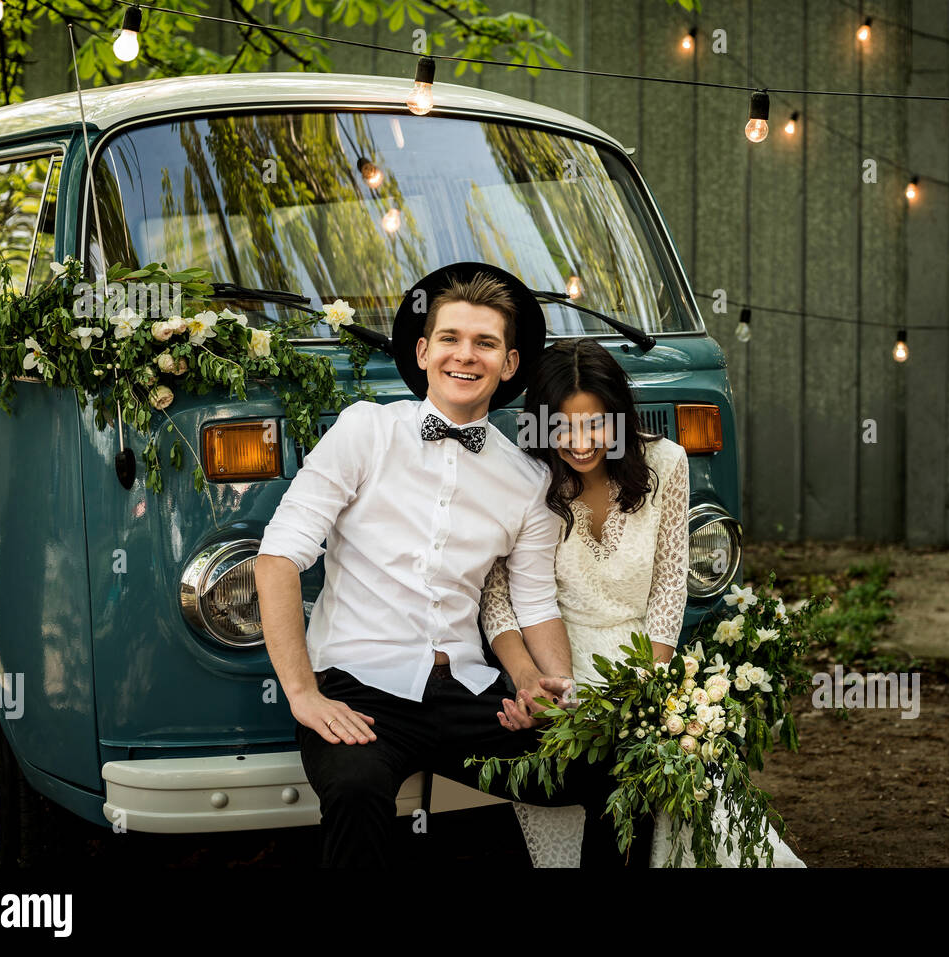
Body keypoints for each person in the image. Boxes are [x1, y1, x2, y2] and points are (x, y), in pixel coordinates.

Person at [256, 262, 649, 867]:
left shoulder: (526, 479)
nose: (465, 357)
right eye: (450, 339)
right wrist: (303, 695)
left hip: (469, 692)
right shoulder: (365, 431)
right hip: (361, 689)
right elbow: (278, 557)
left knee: (618, 768)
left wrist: (548, 689)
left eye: (485, 343)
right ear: (423, 350)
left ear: (509, 364)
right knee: (357, 791)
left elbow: (536, 600)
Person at [480, 337, 806, 867]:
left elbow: (669, 586)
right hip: (558, 658)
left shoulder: (666, 462)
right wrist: (531, 679)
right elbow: (497, 596)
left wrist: (650, 688)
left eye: (596, 425)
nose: (581, 443)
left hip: (642, 660)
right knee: (591, 797)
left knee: (678, 791)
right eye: (563, 427)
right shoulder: (525, 476)